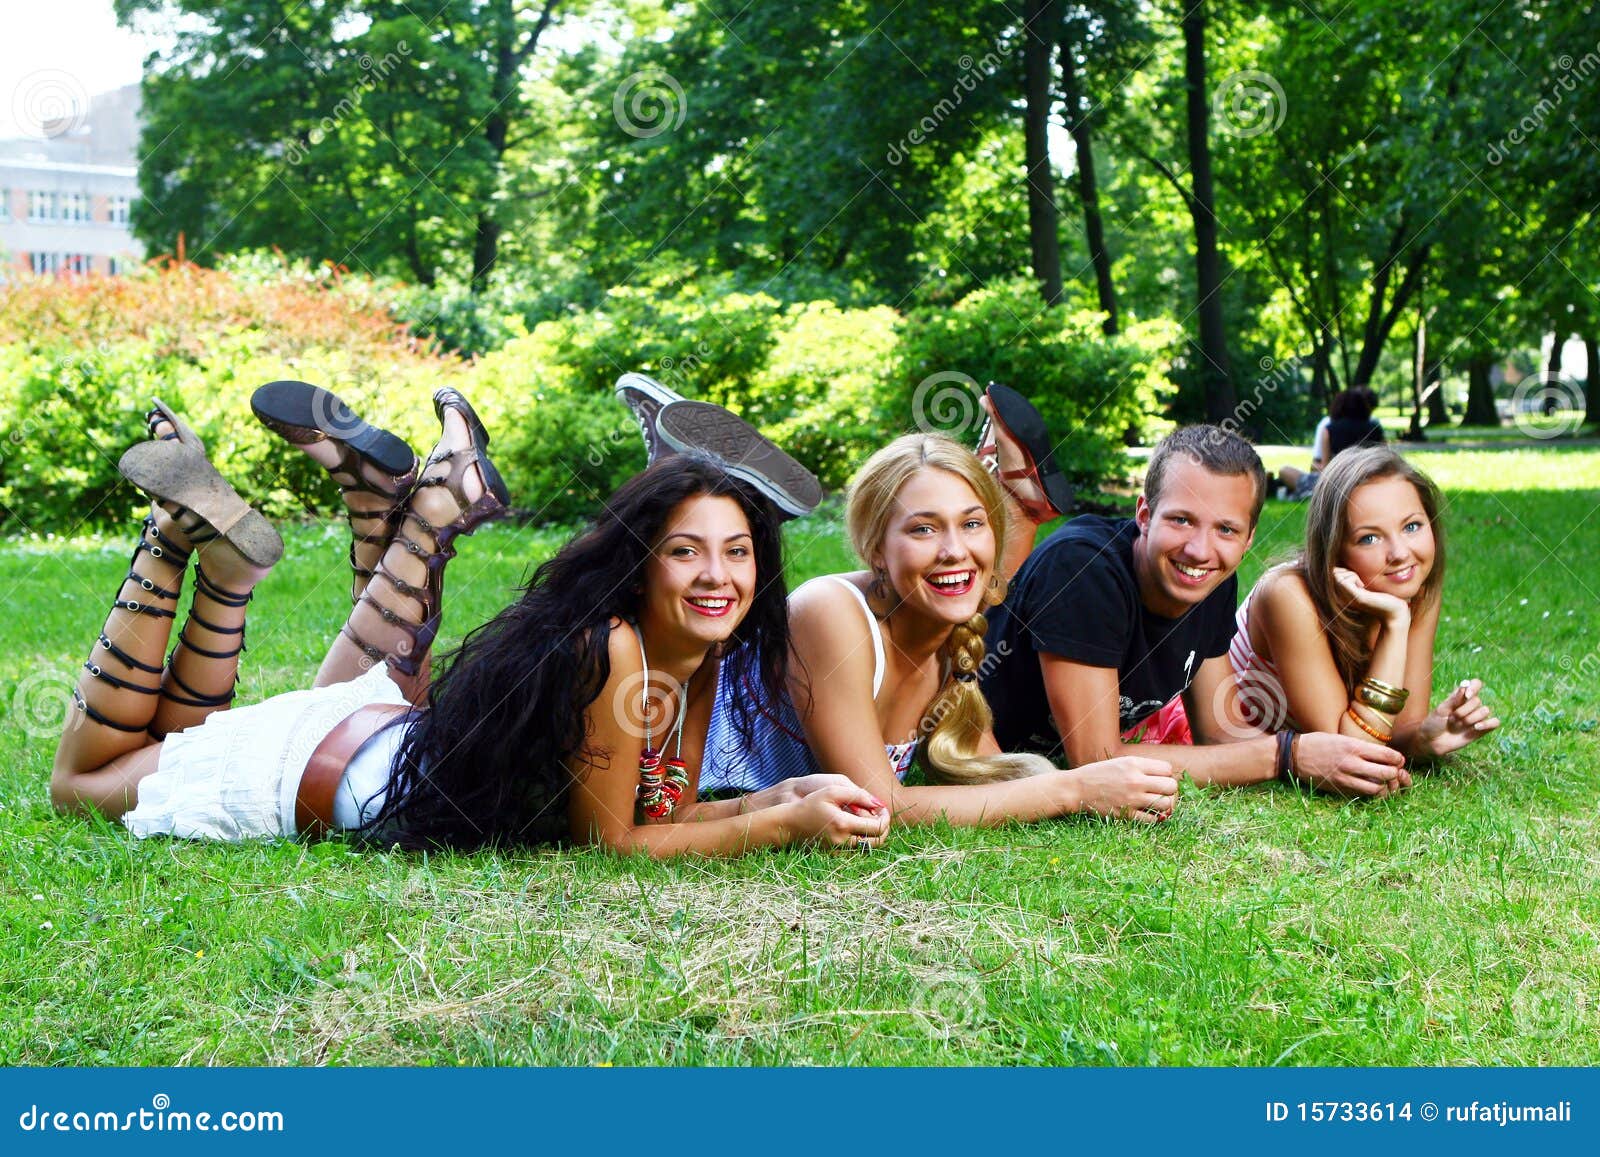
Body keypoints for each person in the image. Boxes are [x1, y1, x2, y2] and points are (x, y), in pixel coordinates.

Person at [50, 384, 888, 855]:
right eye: (686, 552)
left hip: (372, 736)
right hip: (309, 769)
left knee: (174, 737)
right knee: (79, 785)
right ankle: (171, 537)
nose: (719, 575)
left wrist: (787, 789)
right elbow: (617, 846)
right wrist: (782, 821)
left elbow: (660, 813)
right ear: (639, 560)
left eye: (739, 552)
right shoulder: (618, 649)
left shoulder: (695, 653)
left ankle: (257, 553)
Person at [613, 373, 1179, 825]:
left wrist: (1104, 783)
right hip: (666, 752)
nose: (954, 549)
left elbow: (991, 773)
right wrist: (1074, 787)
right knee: (632, 586)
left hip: (709, 775)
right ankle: (677, 472)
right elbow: (878, 799)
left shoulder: (949, 640)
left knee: (962, 584)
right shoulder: (830, 612)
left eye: (973, 523)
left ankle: (1010, 497)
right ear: (875, 549)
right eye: (923, 529)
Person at [981, 424, 1411, 797]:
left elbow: (1218, 730)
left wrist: (1338, 757)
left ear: (1247, 539)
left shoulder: (1212, 582)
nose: (1200, 550)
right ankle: (1009, 500)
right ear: (1144, 514)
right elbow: (1097, 757)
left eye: (1226, 529)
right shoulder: (1084, 570)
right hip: (968, 745)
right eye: (1182, 520)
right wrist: (1288, 754)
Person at [1225, 445, 1499, 760]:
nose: (1399, 553)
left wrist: (1421, 740)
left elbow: (1397, 728)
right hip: (1223, 748)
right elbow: (1349, 752)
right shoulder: (1288, 595)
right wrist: (1396, 624)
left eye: (1412, 526)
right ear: (1334, 548)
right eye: (1369, 538)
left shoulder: (1416, 591)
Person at [1278, 387, 1385, 500]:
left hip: (1337, 484)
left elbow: (1326, 469)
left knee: (1285, 470)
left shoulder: (1329, 429)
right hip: (1368, 481)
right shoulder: (1375, 428)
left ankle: (1307, 492)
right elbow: (1384, 457)